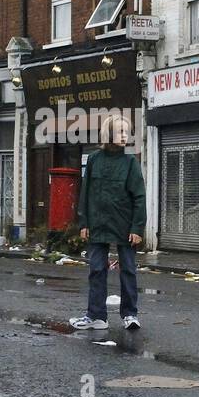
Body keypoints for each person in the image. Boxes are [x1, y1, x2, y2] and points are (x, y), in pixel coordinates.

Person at [71, 114, 145, 333]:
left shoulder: (130, 161)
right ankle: (96, 316)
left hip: (125, 224)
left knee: (129, 270)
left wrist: (137, 227)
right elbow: (85, 192)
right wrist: (84, 222)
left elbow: (139, 196)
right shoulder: (94, 159)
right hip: (98, 223)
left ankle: (130, 314)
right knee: (96, 269)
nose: (125, 136)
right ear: (108, 133)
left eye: (126, 132)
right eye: (120, 131)